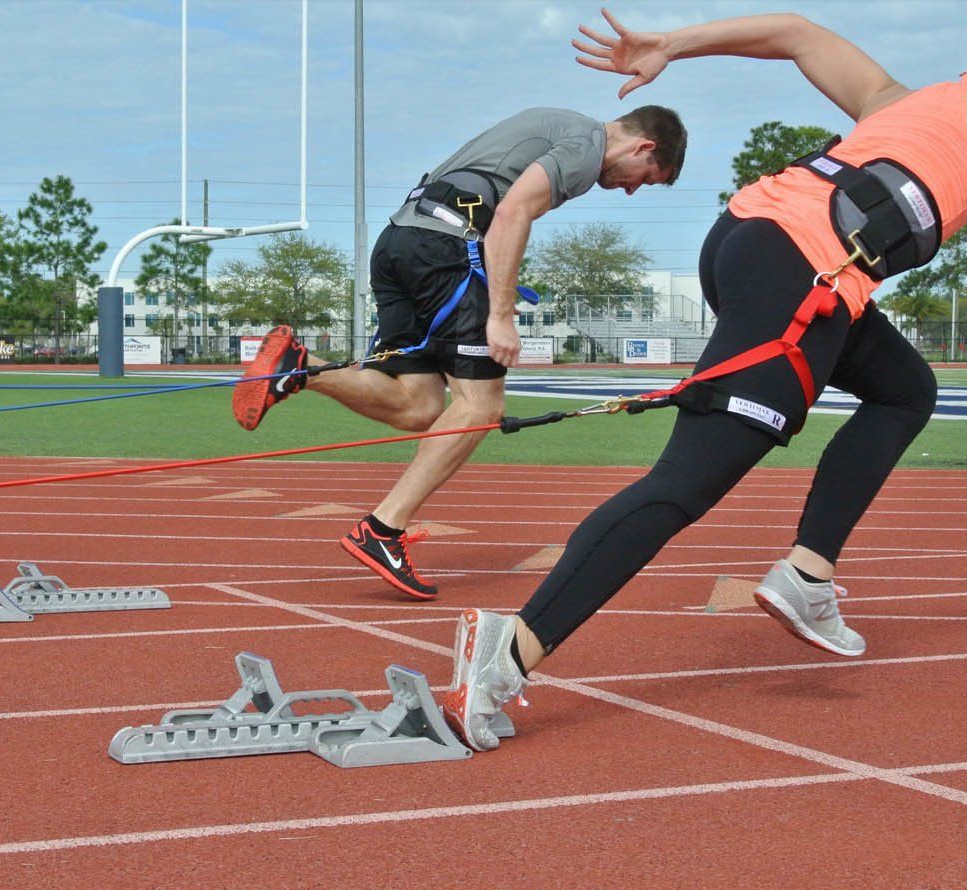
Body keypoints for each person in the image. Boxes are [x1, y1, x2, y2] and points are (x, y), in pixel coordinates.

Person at [442, 11, 967, 751]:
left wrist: (672, 44)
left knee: (905, 389)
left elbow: (797, 32)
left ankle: (808, 574)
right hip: (799, 267)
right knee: (684, 484)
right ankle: (509, 652)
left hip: (750, 242)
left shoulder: (908, 101)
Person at [231, 105, 687, 600]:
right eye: (646, 177)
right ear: (644, 147)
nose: (631, 188)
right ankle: (382, 530)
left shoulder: (558, 127)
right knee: (481, 406)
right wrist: (500, 314)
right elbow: (513, 213)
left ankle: (301, 368)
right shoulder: (585, 147)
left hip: (399, 244)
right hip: (441, 252)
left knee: (418, 405)